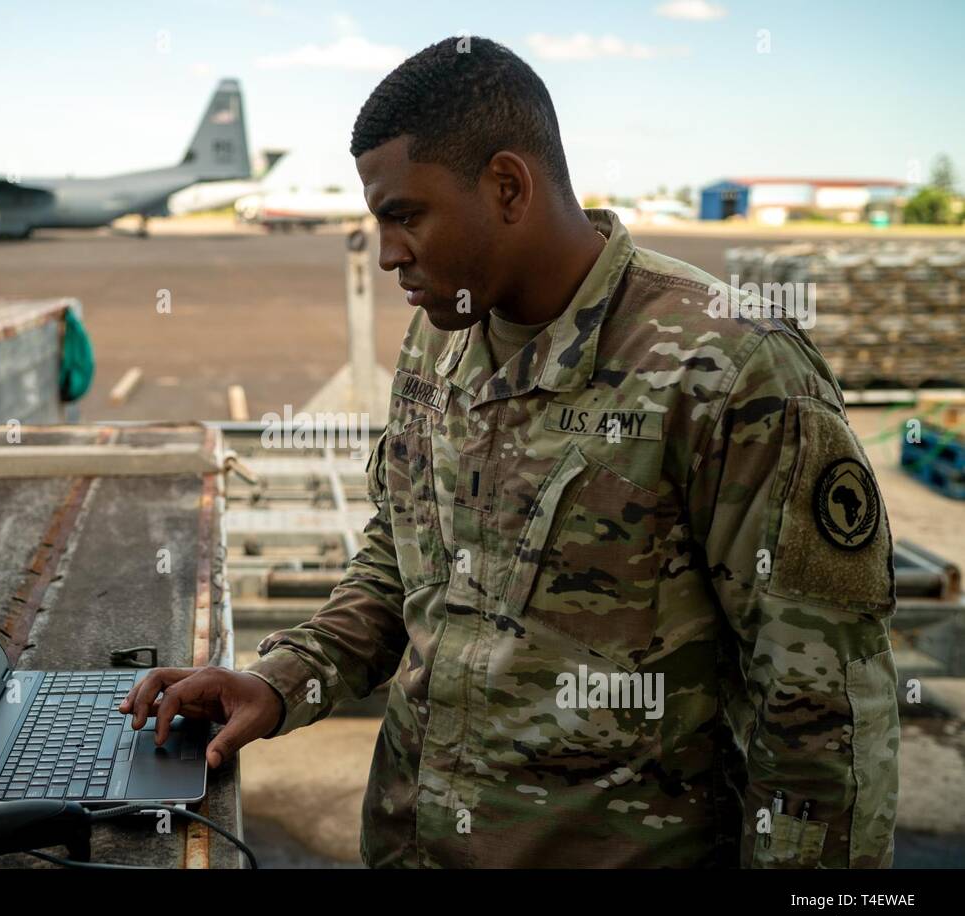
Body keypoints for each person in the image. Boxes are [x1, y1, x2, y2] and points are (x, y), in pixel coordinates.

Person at [120, 36, 899, 868]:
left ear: (507, 187)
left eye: (404, 215)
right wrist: (281, 680)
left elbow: (825, 720)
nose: (387, 253)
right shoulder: (442, 338)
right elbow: (399, 563)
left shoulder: (729, 369)